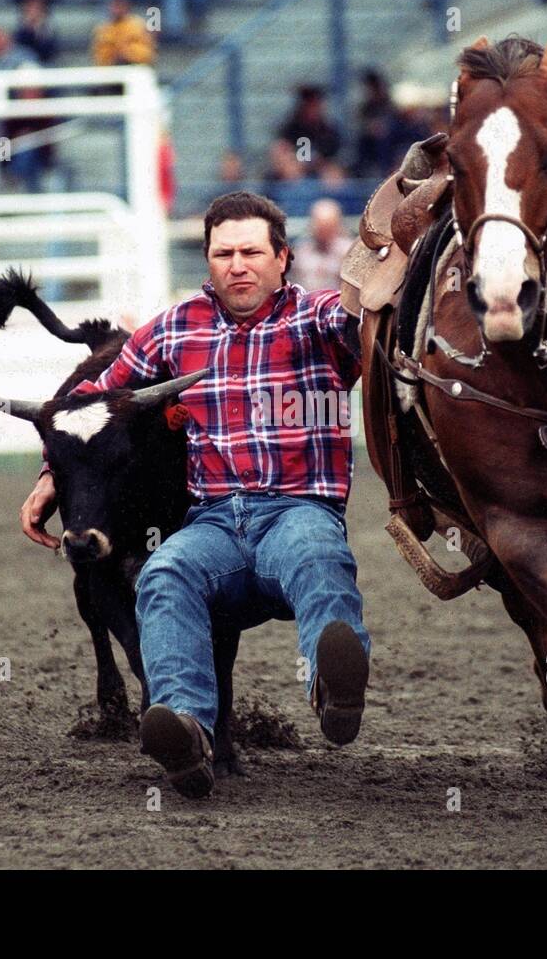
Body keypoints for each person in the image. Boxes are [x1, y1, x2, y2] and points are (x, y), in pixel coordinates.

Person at [19, 192, 369, 798]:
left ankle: (334, 687)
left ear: (282, 258)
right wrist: (52, 472)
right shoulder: (174, 327)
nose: (238, 265)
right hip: (212, 524)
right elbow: (90, 404)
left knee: (317, 556)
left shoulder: (319, 318)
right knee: (163, 574)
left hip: (297, 510)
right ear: (206, 259)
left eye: (252, 252)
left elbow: (367, 316)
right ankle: (183, 728)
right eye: (223, 253)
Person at [291, 198, 351, 293]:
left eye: (328, 227)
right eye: (320, 227)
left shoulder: (349, 252)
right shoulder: (301, 250)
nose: (324, 232)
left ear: (337, 225)